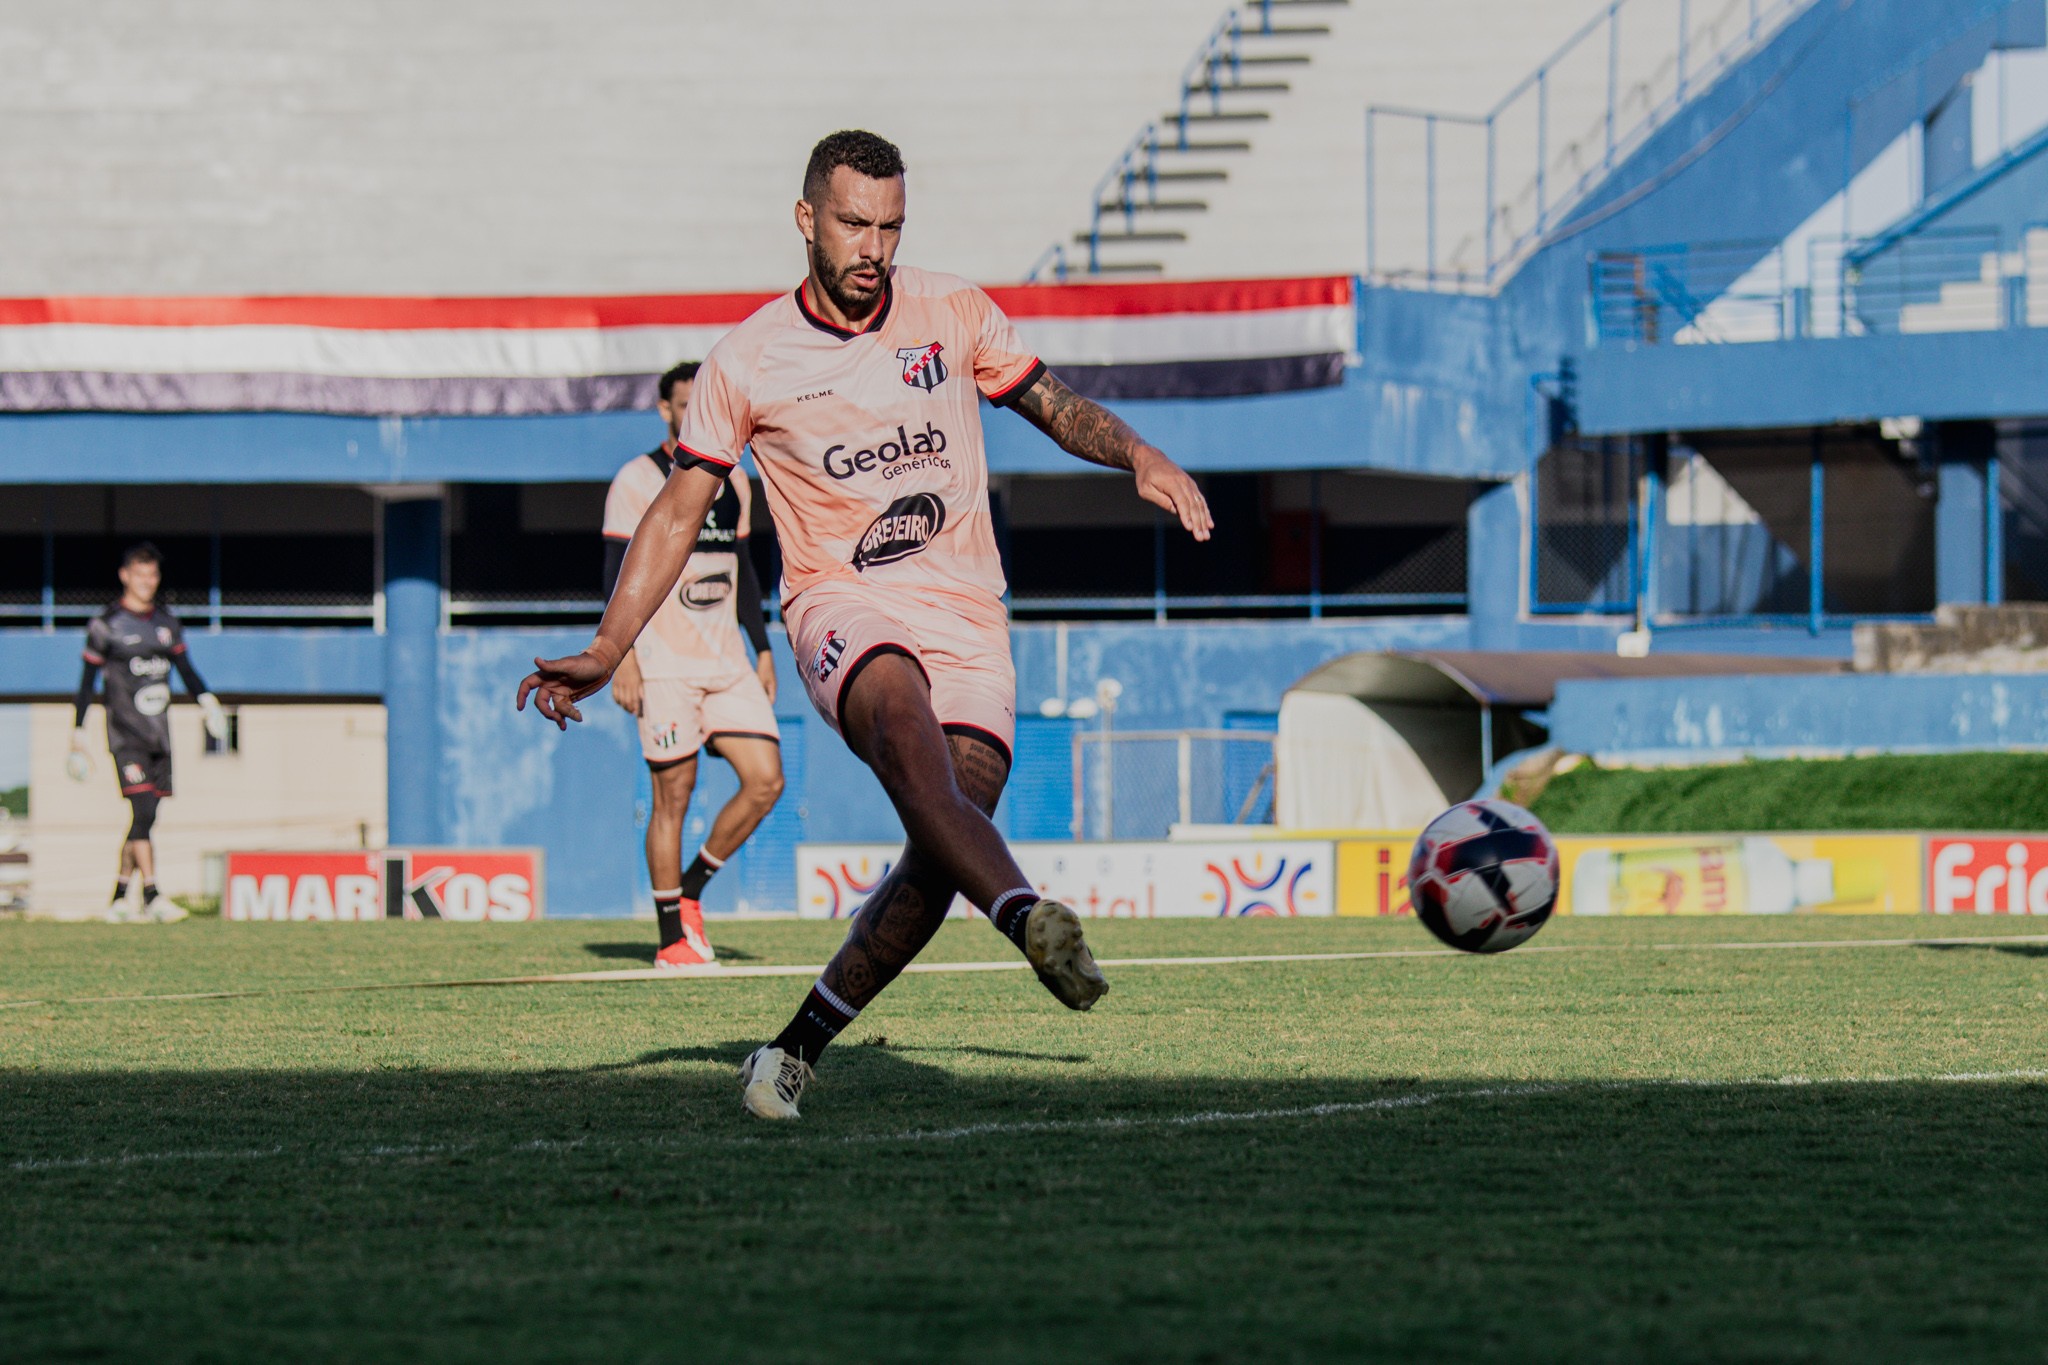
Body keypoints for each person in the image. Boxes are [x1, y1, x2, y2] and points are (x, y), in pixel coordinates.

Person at [519, 129, 1213, 1120]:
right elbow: (676, 513)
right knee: (902, 732)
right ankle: (1027, 915)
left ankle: (794, 1048)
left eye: (889, 227)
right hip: (839, 602)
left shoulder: (952, 309)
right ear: (806, 220)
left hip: (968, 611)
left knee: (944, 836)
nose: (871, 248)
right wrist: (606, 646)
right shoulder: (747, 359)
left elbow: (1048, 400)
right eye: (851, 223)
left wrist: (1137, 452)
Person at [604, 360, 785, 968]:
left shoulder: (735, 479)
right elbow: (615, 576)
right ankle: (670, 939)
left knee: (765, 781)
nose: (694, 412)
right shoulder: (636, 479)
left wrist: (762, 649)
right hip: (665, 665)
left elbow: (747, 574)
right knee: (673, 795)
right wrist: (619, 656)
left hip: (728, 662)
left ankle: (692, 891)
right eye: (685, 403)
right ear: (666, 409)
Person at [70, 543, 227, 922]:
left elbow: (186, 669)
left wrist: (207, 701)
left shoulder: (166, 623)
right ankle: (154, 895)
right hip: (126, 736)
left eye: (153, 575)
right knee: (141, 809)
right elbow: (87, 681)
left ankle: (120, 897)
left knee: (146, 818)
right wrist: (78, 729)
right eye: (140, 574)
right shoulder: (106, 625)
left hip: (160, 736)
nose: (147, 582)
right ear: (125, 576)